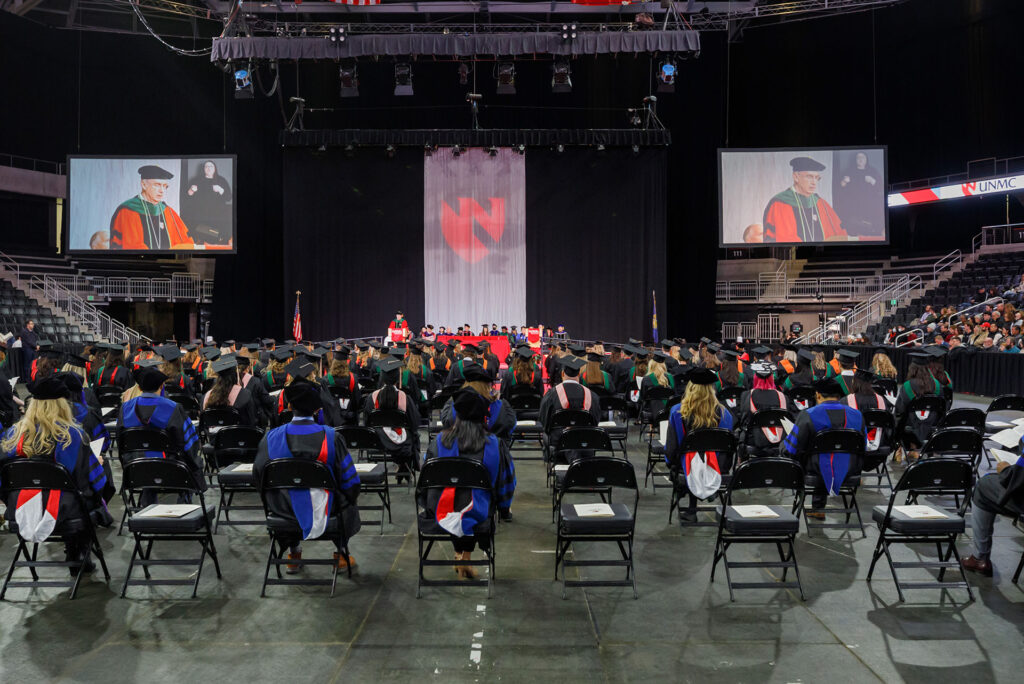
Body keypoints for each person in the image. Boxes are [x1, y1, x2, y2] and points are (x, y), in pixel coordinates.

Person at [0, 376, 113, 574]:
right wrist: (97, 466)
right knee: (86, 495)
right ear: (62, 405)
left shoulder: (12, 435)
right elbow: (93, 483)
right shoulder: (72, 436)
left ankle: (76, 551)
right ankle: (79, 552)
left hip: (19, 508)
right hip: (65, 511)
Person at [253, 379, 361, 573]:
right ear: (317, 409)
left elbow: (259, 477)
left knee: (284, 493)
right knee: (347, 500)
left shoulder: (271, 438)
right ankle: (341, 553)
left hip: (283, 511)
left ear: (289, 406)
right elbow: (350, 483)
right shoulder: (331, 437)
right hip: (327, 511)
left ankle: (293, 554)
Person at [422, 389, 515, 579]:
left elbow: (425, 480)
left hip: (440, 512)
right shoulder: (494, 445)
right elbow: (506, 484)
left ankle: (461, 555)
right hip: (480, 513)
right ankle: (464, 557)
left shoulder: (438, 442)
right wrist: (504, 507)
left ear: (457, 416)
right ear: (483, 418)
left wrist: (428, 504)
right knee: (475, 501)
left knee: (454, 498)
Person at [781, 377, 865, 519]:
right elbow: (863, 447)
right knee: (827, 453)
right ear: (838, 396)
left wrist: (783, 447)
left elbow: (793, 448)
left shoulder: (809, 414)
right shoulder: (857, 415)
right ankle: (818, 507)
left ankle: (817, 507)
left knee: (803, 451)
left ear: (818, 395)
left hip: (816, 470)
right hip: (850, 469)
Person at [664, 368, 735, 523]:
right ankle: (705, 490)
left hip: (685, 467)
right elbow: (728, 448)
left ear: (690, 388)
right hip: (717, 466)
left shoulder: (677, 412)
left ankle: (690, 505)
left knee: (686, 458)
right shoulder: (725, 414)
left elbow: (671, 449)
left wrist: (670, 463)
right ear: (712, 389)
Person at [117, 363, 204, 489]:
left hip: (136, 468)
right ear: (162, 385)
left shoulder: (125, 408)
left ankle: (148, 496)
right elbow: (189, 443)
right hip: (169, 469)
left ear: (139, 388)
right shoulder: (173, 408)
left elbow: (121, 443)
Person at [362, 357, 420, 482]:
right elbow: (414, 423)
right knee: (413, 434)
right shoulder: (405, 397)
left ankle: (402, 465)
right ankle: (404, 464)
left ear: (382, 378)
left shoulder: (372, 397)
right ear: (397, 379)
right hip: (403, 444)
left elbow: (367, 422)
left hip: (378, 441)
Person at [109, 165, 194, 250]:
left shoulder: (167, 211)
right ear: (144, 185)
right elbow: (132, 247)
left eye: (165, 186)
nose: (162, 190)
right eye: (157, 185)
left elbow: (185, 241)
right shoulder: (128, 211)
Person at [763, 157, 846, 243]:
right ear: (796, 177)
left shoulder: (820, 203)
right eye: (809, 177)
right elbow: (784, 238)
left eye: (817, 178)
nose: (814, 182)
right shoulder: (780, 203)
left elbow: (838, 233)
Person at [539, 356, 603, 463]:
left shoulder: (551, 395)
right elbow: (595, 421)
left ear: (562, 373)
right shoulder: (592, 395)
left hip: (559, 443)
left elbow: (544, 420)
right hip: (585, 442)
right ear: (579, 374)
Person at [894, 353, 944, 459]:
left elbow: (900, 409)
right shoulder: (937, 384)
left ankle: (909, 447)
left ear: (912, 369)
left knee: (899, 417)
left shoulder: (907, 385)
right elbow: (942, 407)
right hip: (932, 423)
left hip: (910, 425)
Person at [737, 363, 791, 460]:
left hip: (754, 441)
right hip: (778, 442)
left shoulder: (746, 396)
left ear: (755, 378)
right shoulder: (783, 397)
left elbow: (744, 421)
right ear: (772, 378)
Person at [183, 160, 232, 245]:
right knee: (196, 229)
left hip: (218, 214)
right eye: (206, 166)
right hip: (200, 214)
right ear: (204, 169)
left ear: (215, 169)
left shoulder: (221, 180)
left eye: (211, 166)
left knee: (218, 234)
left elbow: (228, 198)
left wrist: (220, 189)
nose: (208, 168)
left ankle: (215, 241)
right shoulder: (196, 180)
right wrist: (191, 190)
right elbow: (186, 197)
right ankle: (205, 241)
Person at [835, 151, 883, 237]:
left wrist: (872, 180)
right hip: (853, 204)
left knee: (870, 226)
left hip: (869, 204)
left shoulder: (872, 171)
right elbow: (839, 188)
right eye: (858, 157)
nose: (860, 159)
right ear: (855, 160)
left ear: (866, 159)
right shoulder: (849, 171)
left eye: (862, 157)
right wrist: (844, 181)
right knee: (853, 226)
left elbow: (881, 187)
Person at [202, 356, 258, 426]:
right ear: (236, 374)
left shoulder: (206, 397)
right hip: (238, 432)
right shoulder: (245, 394)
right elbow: (251, 421)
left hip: (213, 432)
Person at [320, 346, 362, 426]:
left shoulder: (326, 379)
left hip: (332, 420)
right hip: (350, 420)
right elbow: (357, 401)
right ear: (346, 363)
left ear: (334, 362)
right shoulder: (353, 378)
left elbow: (325, 402)